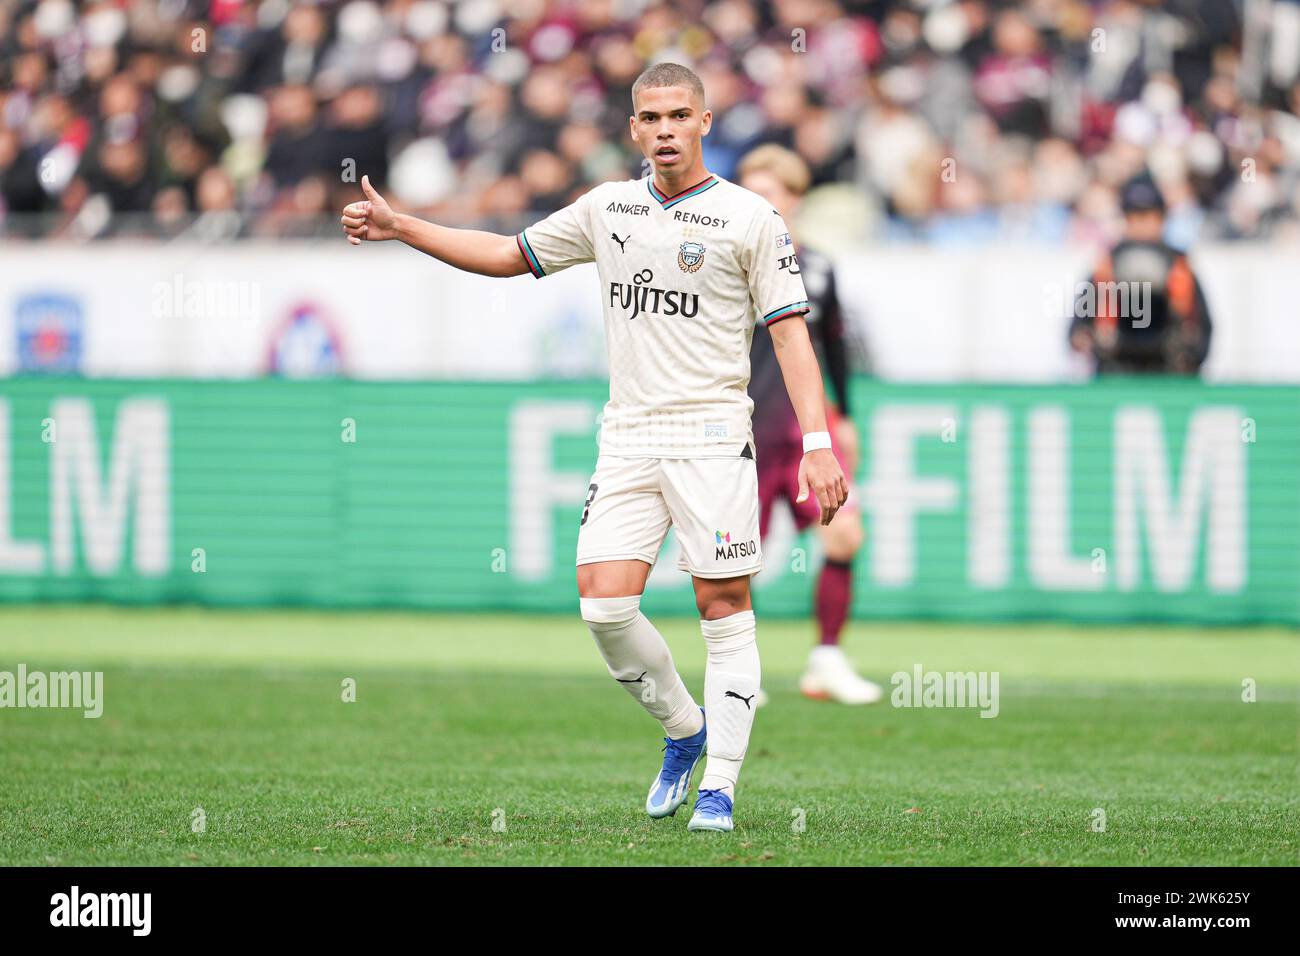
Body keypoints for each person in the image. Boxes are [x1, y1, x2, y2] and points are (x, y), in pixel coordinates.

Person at [339, 63, 847, 833]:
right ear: (634, 128)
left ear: (706, 122)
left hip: (712, 435)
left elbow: (790, 337)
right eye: (652, 117)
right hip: (629, 436)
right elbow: (509, 254)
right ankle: (686, 730)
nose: (667, 129)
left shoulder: (753, 219)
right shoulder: (607, 208)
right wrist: (405, 227)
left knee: (723, 605)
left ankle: (723, 786)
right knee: (605, 607)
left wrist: (818, 442)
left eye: (681, 114)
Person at [738, 145, 881, 706]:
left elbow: (834, 347)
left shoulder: (818, 267)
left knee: (845, 532)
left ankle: (827, 659)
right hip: (742, 429)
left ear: (793, 200)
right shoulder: (721, 262)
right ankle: (739, 675)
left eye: (768, 192)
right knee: (735, 555)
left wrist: (844, 415)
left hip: (806, 433)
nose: (756, 203)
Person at [1069, 174, 1213, 374]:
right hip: (1116, 372)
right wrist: (1086, 338)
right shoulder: (1106, 266)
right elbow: (1077, 329)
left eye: (1149, 217)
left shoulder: (1180, 266)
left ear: (1161, 219)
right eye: (1134, 217)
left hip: (1168, 372)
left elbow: (1204, 330)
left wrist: (1190, 353)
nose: (1141, 225)